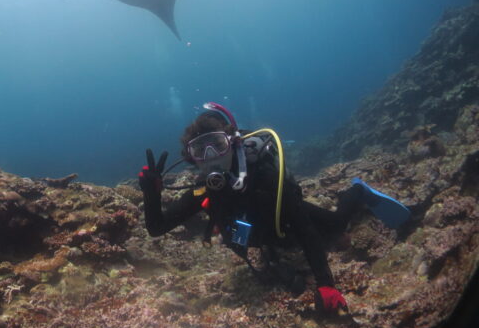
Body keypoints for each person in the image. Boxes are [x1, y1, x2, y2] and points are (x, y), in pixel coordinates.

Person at [139, 102, 411, 315]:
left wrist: (326, 284)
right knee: (273, 245)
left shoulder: (265, 176)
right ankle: (273, 253)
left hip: (287, 219)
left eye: (218, 145)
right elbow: (157, 228)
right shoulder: (204, 189)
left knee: (336, 225)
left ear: (233, 144)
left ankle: (358, 191)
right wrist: (151, 195)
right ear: (191, 158)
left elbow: (305, 230)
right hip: (263, 236)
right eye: (200, 150)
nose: (212, 158)